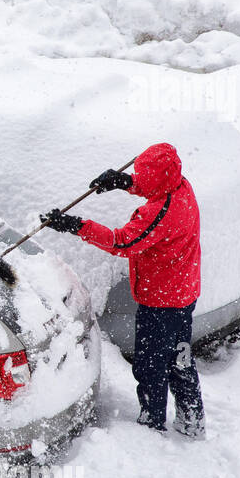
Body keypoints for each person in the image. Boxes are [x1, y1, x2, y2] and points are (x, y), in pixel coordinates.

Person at [40, 142, 205, 438]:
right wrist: (125, 183)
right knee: (180, 359)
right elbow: (158, 187)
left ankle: (152, 423)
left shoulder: (160, 213)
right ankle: (192, 421)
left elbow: (122, 242)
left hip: (161, 302)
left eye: (142, 175)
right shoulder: (181, 188)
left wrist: (76, 225)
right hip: (182, 295)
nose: (138, 179)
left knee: (150, 365)